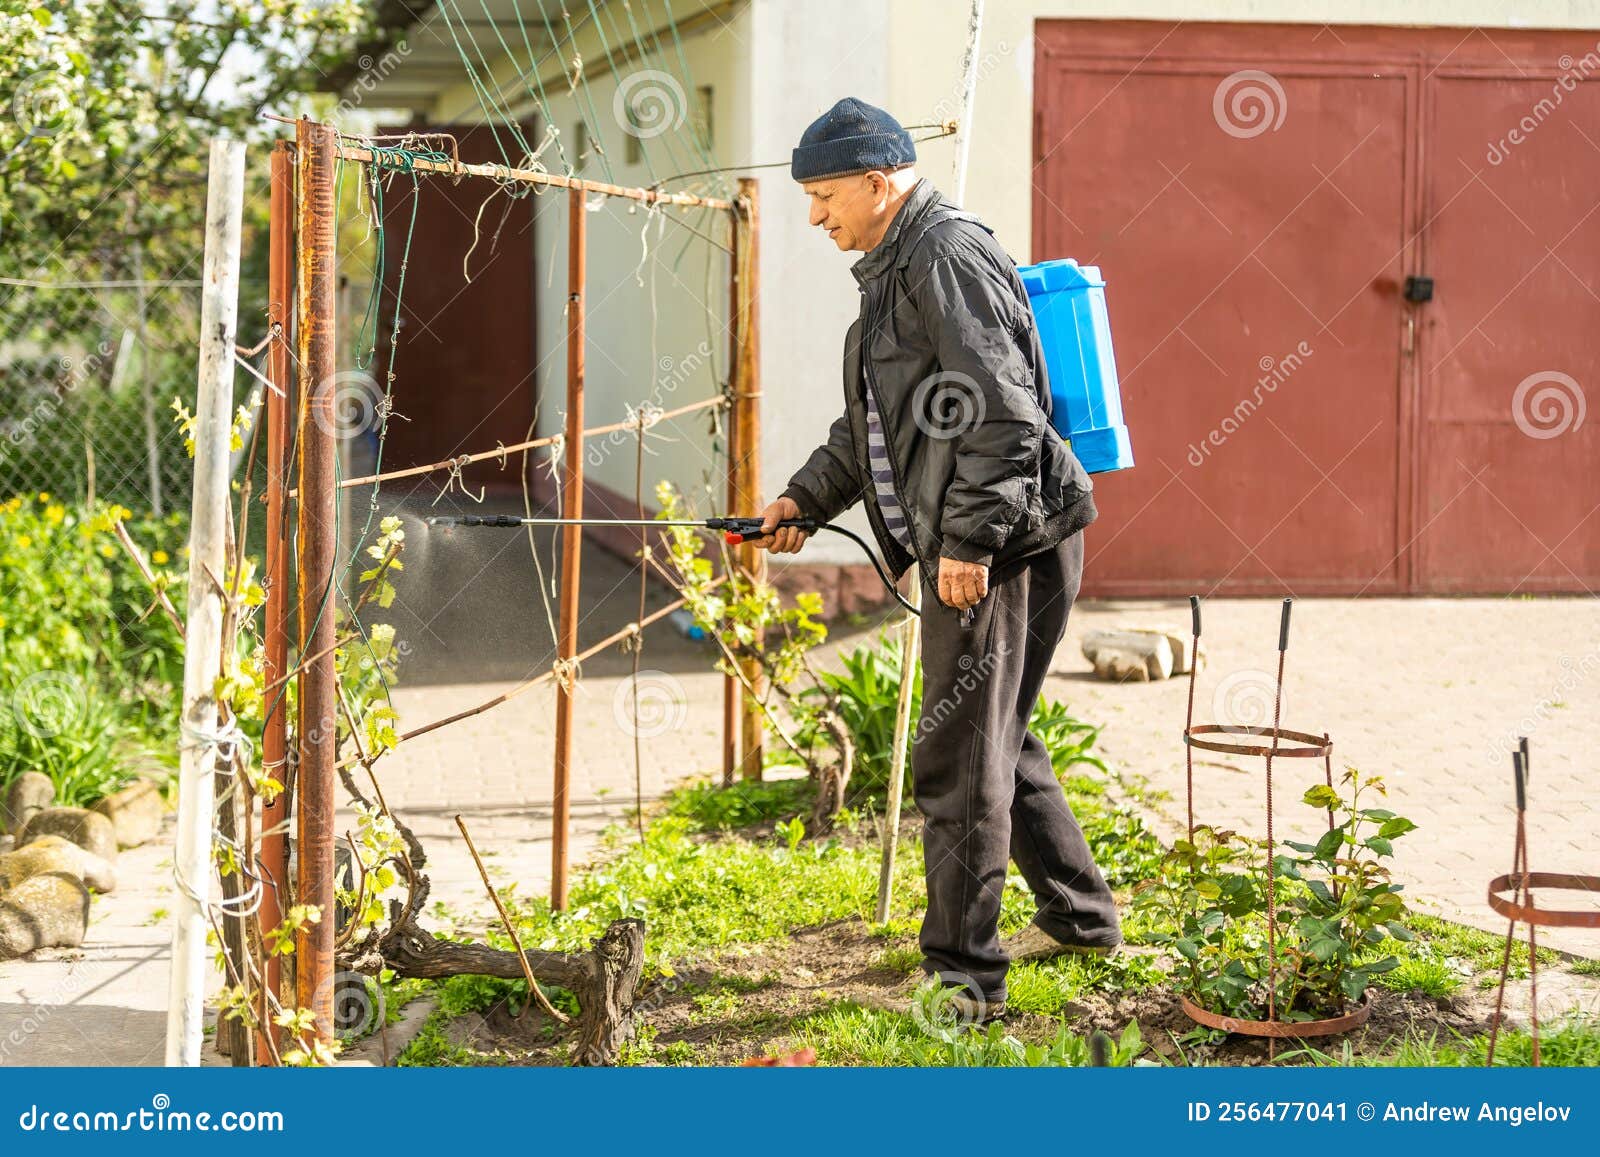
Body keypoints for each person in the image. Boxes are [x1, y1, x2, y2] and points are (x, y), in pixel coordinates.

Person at [747, 97, 1123, 1023]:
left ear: (880, 183)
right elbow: (875, 423)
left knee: (961, 754)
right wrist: (804, 498)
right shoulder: (895, 267)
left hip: (1005, 545)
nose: (815, 216)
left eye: (826, 196)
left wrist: (968, 542)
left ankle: (964, 980)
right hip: (995, 535)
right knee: (995, 737)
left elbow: (1002, 412)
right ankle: (1081, 918)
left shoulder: (944, 257)